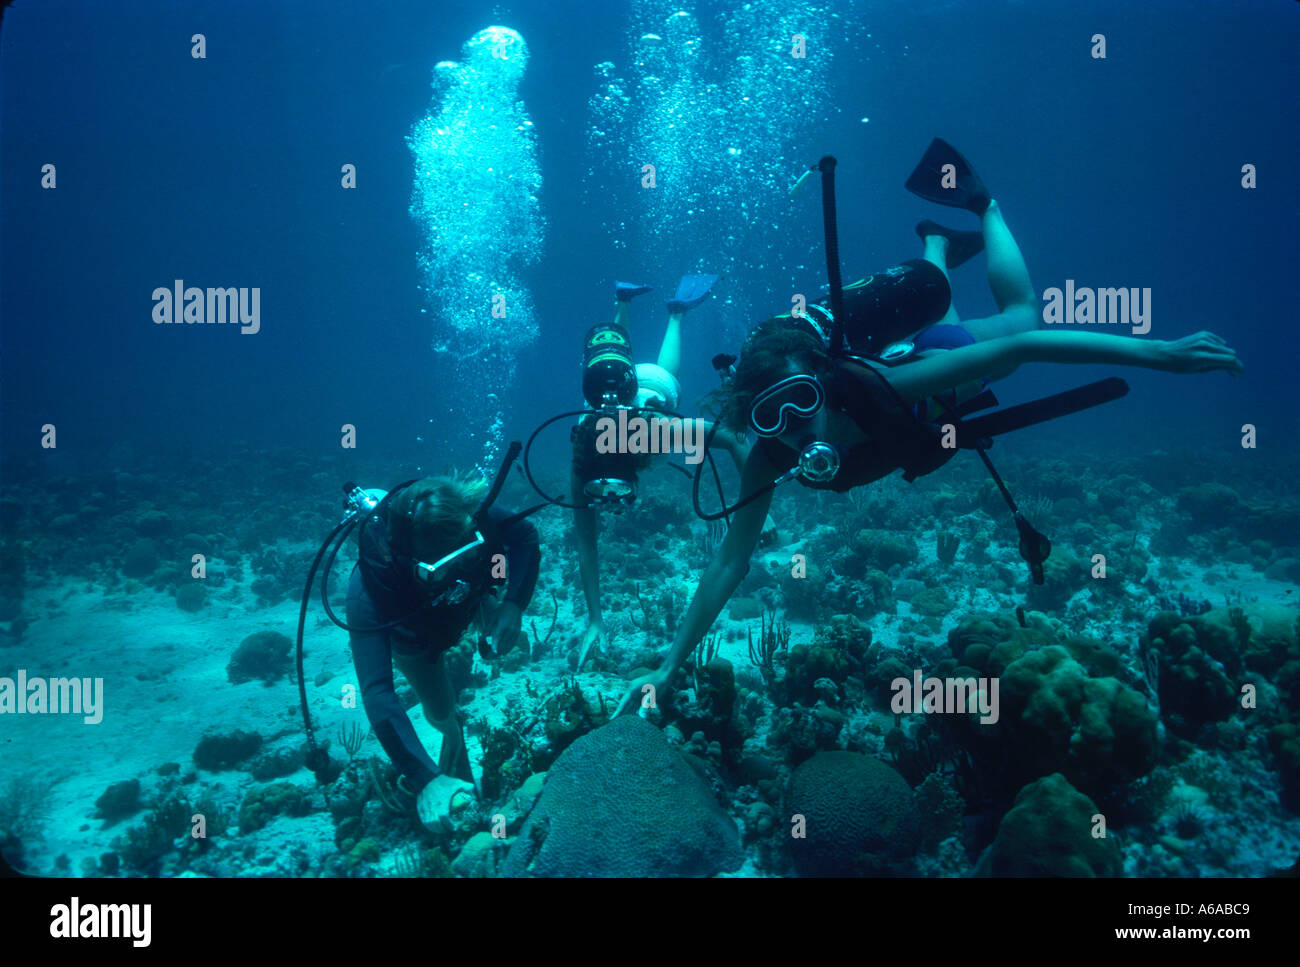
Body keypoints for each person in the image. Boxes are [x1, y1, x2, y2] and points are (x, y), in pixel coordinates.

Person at [616, 138, 1243, 715]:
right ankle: (940, 250)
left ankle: (966, 217)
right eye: (768, 419)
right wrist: (670, 666)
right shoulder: (769, 456)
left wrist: (1159, 353)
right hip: (856, 361)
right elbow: (729, 564)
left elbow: (1025, 347)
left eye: (802, 402)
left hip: (885, 327)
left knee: (1010, 313)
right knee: (954, 332)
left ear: (824, 386)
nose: (794, 430)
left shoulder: (875, 388)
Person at [570, 275, 755, 668]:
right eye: (604, 494)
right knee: (612, 373)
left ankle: (676, 313)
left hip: (649, 392)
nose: (609, 504)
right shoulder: (583, 462)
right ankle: (623, 300)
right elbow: (586, 544)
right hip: (617, 388)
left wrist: (759, 507)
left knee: (664, 373)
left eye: (613, 493)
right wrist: (595, 620)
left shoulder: (658, 434)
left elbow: (735, 438)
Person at [347, 473, 540, 829]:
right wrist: (425, 778)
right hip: (418, 642)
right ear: (406, 557)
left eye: (464, 554)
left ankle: (486, 622)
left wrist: (513, 605)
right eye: (438, 570)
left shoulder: (470, 517)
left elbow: (524, 535)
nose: (455, 571)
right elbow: (377, 691)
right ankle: (453, 738)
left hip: (476, 597)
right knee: (440, 712)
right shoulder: (369, 590)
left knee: (490, 614)